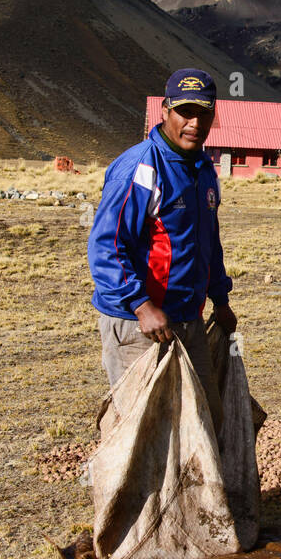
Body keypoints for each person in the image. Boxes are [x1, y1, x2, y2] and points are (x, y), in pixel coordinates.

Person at [87, 67, 236, 433]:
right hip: (140, 323)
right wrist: (140, 305)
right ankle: (134, 494)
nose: (194, 123)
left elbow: (207, 242)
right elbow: (107, 245)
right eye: (185, 112)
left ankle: (195, 493)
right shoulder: (140, 168)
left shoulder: (202, 169)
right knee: (143, 427)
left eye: (204, 112)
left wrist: (221, 299)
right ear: (166, 111)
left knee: (204, 419)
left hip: (188, 320)